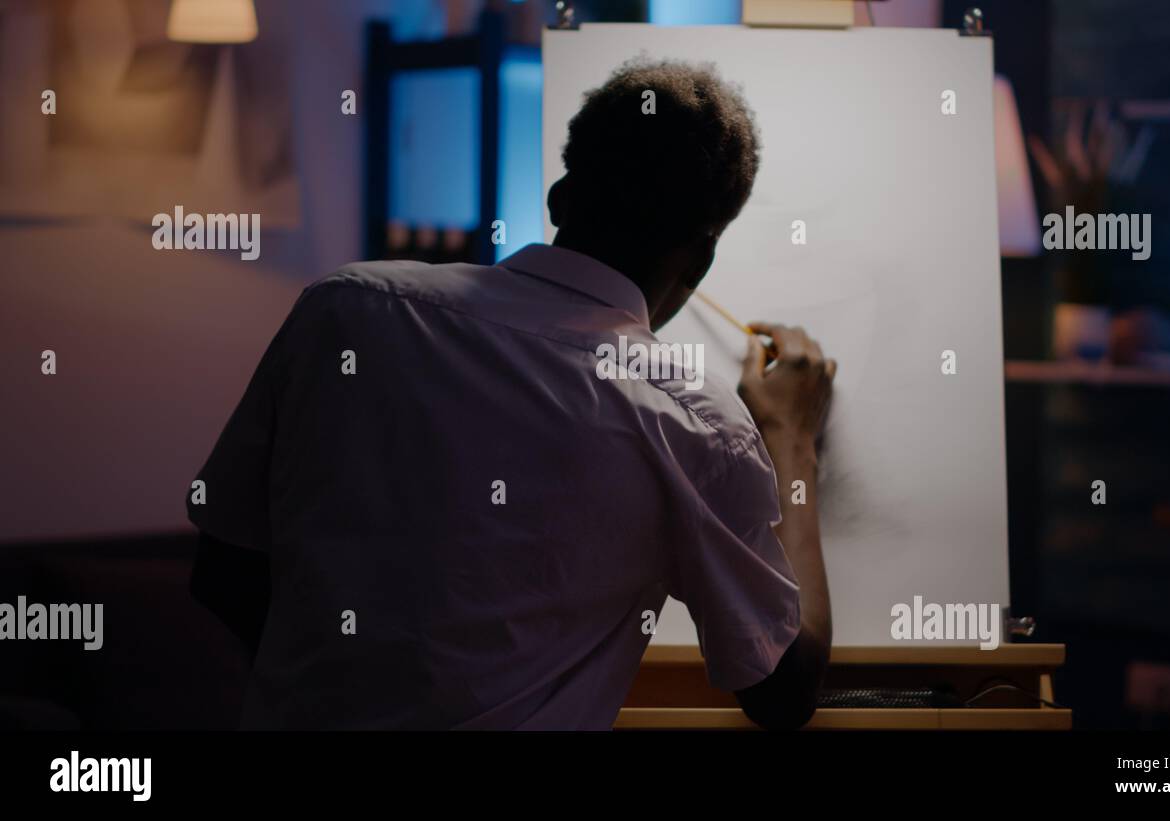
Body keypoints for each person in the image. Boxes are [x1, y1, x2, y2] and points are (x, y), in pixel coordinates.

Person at [189, 58, 835, 730]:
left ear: (558, 198)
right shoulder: (695, 424)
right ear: (700, 260)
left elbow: (222, 569)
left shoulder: (344, 308)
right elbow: (784, 690)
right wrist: (790, 438)